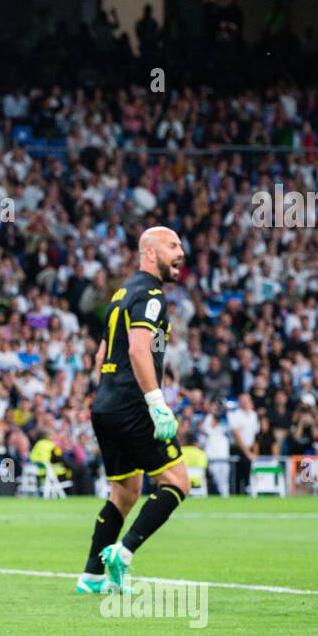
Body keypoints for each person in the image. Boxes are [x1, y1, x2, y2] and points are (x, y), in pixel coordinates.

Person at [76, 227, 190, 595]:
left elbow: (100, 355)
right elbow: (139, 351)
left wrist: (110, 395)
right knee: (177, 482)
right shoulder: (150, 295)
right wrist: (156, 403)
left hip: (106, 405)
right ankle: (121, 556)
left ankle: (92, 575)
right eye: (172, 245)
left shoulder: (121, 294)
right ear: (149, 253)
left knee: (124, 493)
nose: (181, 252)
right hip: (133, 406)